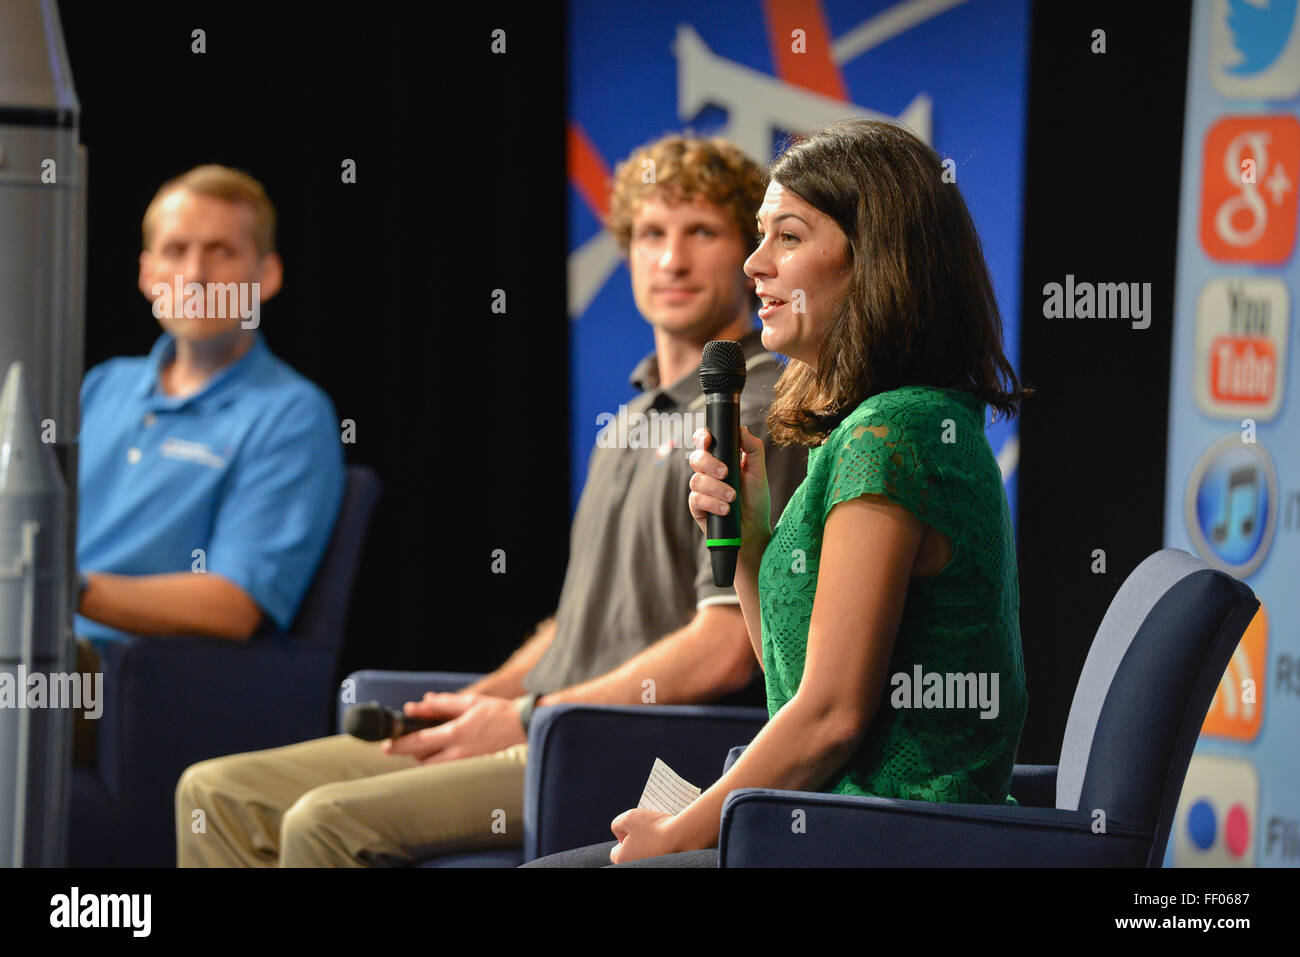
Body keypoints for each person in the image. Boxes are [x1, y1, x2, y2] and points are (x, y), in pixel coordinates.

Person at [174, 134, 806, 867]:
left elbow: (730, 644)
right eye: (650, 234)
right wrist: (484, 699)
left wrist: (528, 716)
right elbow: (579, 619)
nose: (671, 259)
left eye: (702, 232)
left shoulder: (754, 407)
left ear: (748, 254)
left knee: (324, 821)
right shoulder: (630, 419)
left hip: (630, 749)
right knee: (215, 791)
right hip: (547, 721)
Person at [524, 118, 1032, 867]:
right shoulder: (876, 427)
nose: (756, 264)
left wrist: (682, 830)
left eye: (787, 237)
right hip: (833, 820)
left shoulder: (892, 436)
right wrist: (750, 545)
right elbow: (793, 677)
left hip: (885, 838)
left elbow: (830, 717)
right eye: (760, 236)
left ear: (875, 257)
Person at [73, 164, 344, 763]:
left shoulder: (290, 413)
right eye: (175, 250)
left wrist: (65, 589)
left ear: (266, 275)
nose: (195, 274)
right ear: (147, 273)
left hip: (116, 686)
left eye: (221, 251)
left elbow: (233, 605)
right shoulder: (102, 387)